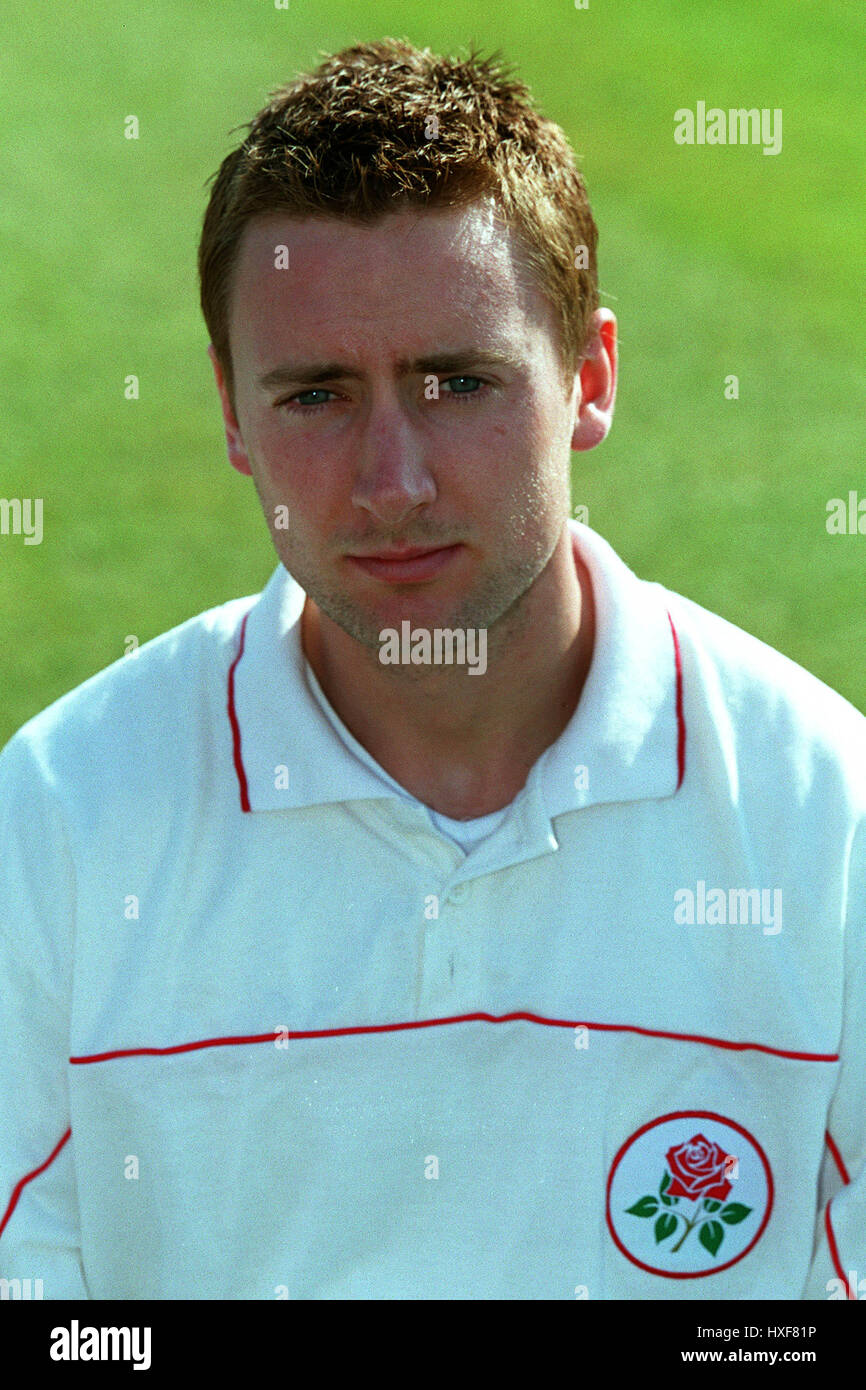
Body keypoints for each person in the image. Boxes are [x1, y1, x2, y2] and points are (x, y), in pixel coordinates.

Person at [1, 38, 863, 1301]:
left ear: (589, 379)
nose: (391, 482)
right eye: (316, 396)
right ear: (232, 412)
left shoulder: (826, 818)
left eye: (457, 383)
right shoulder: (58, 820)